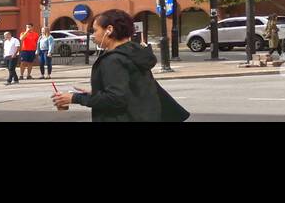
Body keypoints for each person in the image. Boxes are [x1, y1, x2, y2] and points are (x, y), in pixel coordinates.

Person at [52, 8, 188, 122]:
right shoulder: (133, 53)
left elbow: (116, 98)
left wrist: (74, 98)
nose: (93, 35)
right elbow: (133, 90)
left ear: (109, 30)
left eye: (95, 30)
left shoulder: (114, 60)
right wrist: (96, 92)